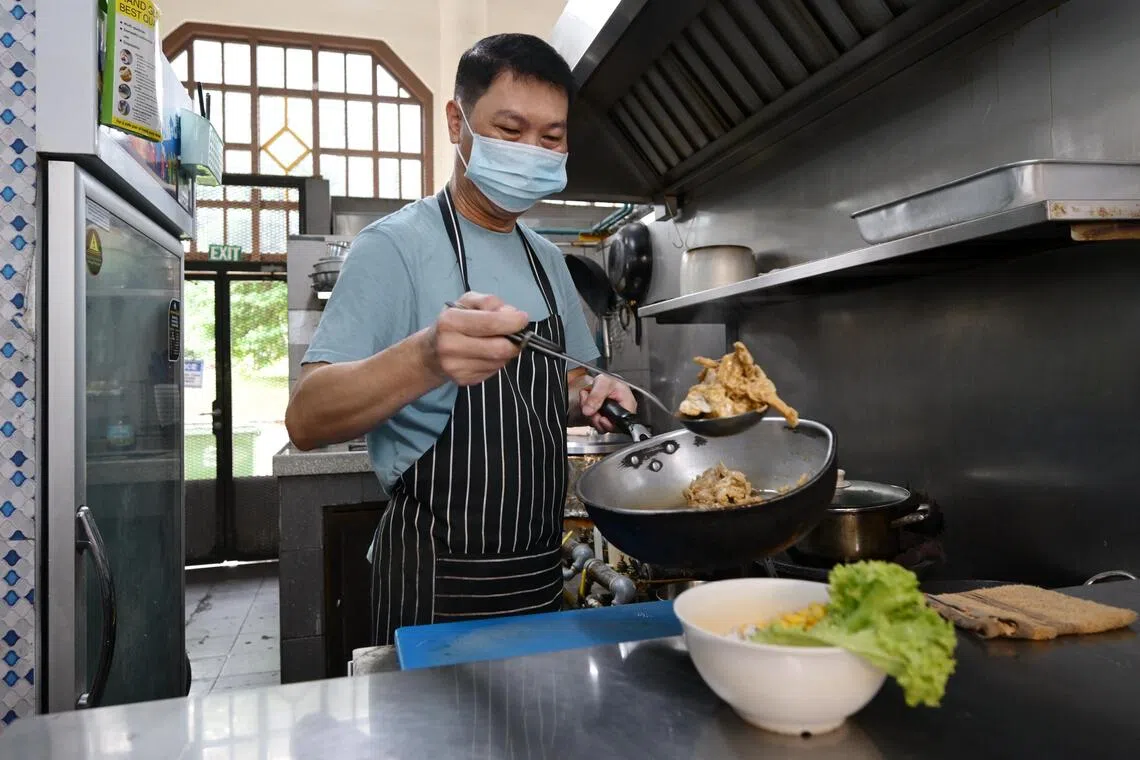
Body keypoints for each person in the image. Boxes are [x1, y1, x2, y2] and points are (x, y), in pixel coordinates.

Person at [285, 33, 637, 645]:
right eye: (509, 129)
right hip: (433, 582)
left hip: (536, 573)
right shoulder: (393, 248)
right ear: (457, 121)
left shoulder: (548, 262)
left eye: (550, 138)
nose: (531, 150)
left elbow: (569, 384)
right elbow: (306, 419)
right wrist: (426, 357)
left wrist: (592, 394)